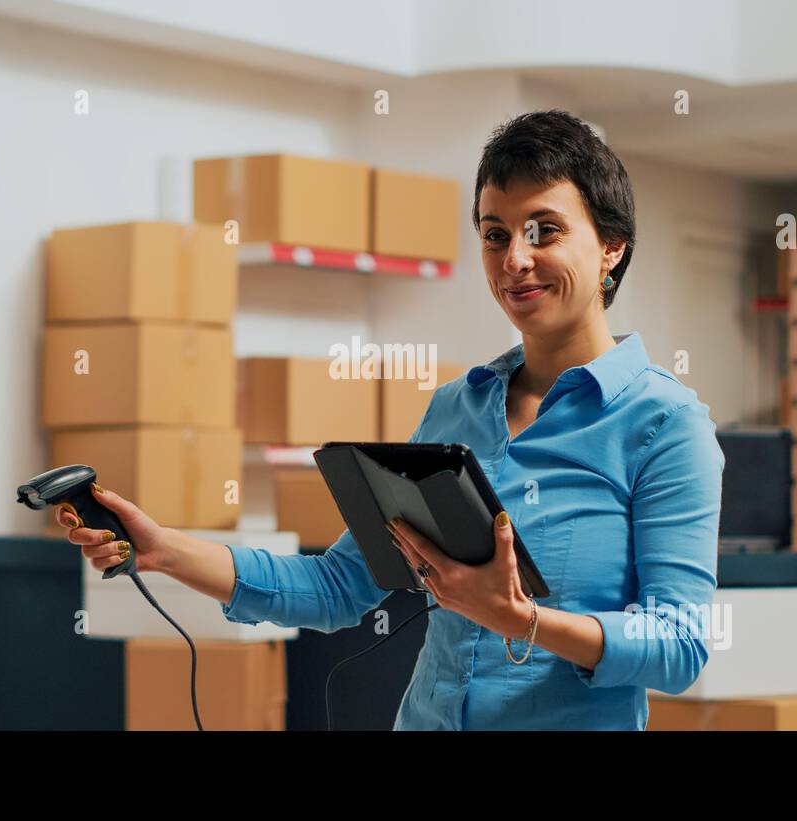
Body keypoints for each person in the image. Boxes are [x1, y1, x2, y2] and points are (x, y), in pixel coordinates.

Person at [58, 109, 724, 730]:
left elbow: (679, 643)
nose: (514, 259)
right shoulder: (457, 406)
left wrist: (523, 620)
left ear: (611, 247)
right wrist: (164, 549)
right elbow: (337, 586)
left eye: (543, 230)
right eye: (495, 235)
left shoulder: (664, 424)